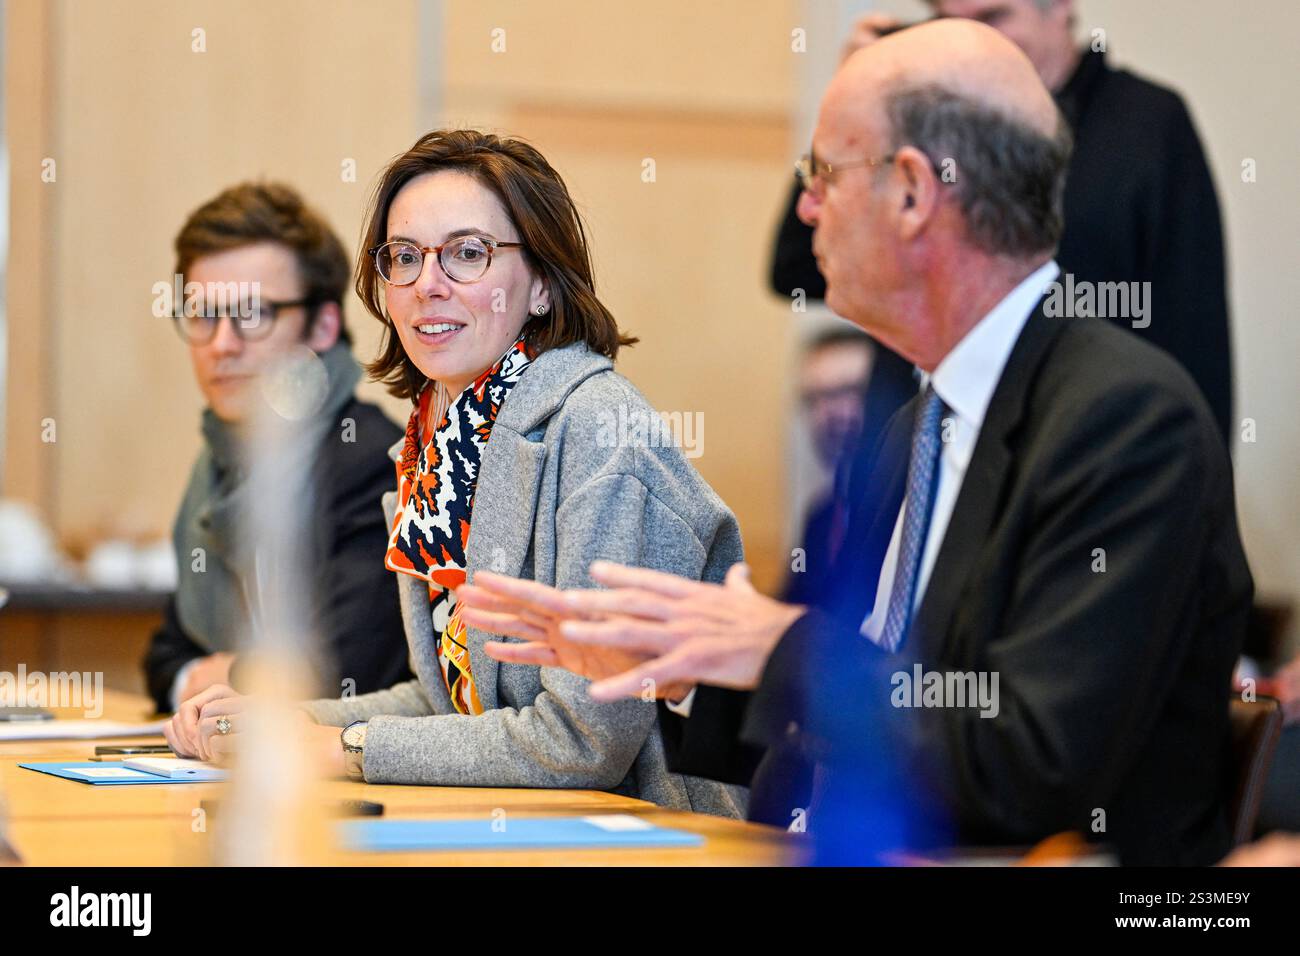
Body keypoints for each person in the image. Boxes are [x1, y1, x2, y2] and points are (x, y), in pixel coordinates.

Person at [462, 20, 1253, 865]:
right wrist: (684, 670)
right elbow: (841, 717)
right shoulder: (914, 428)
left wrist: (774, 649)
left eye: (823, 175)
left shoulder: (1125, 421)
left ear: (913, 193)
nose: (806, 209)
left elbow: (1029, 763)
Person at [163, 131, 747, 818]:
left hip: (650, 835)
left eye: (467, 254)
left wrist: (337, 746)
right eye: (403, 258)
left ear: (541, 284)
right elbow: (440, 703)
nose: (427, 284)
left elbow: (584, 740)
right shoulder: (434, 447)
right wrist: (278, 720)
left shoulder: (599, 432)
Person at [772, 0, 1234, 446]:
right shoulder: (920, 115)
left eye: (995, 16)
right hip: (907, 427)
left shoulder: (1148, 124)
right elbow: (795, 268)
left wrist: (1187, 456)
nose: (975, 39)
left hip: (1077, 438)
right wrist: (856, 105)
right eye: (949, 21)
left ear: (1060, 7)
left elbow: (1194, 330)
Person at [143, 183, 410, 714]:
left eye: (253, 313)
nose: (222, 344)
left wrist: (226, 676)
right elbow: (164, 658)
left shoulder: (372, 461)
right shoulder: (218, 468)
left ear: (322, 326)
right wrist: (240, 677)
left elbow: (344, 675)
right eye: (202, 314)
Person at [783, 327, 873, 607]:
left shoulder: (909, 511)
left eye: (848, 391)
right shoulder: (822, 516)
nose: (828, 412)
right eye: (815, 399)